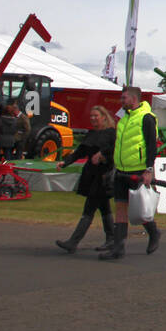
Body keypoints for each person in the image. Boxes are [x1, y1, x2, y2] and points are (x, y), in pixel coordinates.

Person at [100, 86, 159, 260]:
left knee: (140, 210)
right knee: (120, 208)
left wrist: (149, 169)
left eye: (124, 98)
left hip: (138, 169)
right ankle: (118, 248)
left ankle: (154, 233)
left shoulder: (146, 118)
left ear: (133, 99)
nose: (121, 101)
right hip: (121, 170)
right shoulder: (124, 118)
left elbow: (151, 145)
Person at [55, 106, 116, 254]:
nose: (93, 118)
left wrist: (103, 156)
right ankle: (112, 239)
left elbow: (115, 153)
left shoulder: (112, 134)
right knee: (104, 207)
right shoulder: (91, 133)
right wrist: (66, 162)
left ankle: (73, 242)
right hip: (91, 174)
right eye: (92, 116)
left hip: (103, 175)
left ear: (104, 117)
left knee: (89, 208)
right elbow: (80, 152)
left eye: (96, 116)